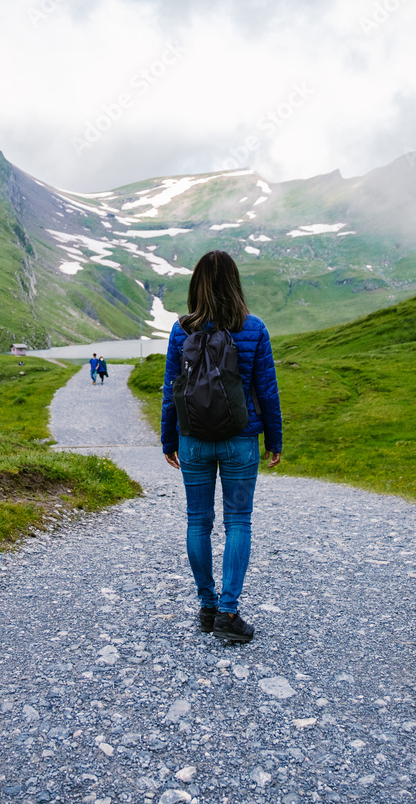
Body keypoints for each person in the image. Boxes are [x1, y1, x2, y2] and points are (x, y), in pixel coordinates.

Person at [161, 250, 283, 643]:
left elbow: (171, 390)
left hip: (193, 440)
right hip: (240, 440)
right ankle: (228, 613)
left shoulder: (181, 330)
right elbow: (267, 390)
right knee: (238, 522)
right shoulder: (254, 328)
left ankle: (207, 606)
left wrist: (168, 439)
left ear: (196, 283)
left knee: (198, 521)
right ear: (234, 282)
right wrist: (274, 439)